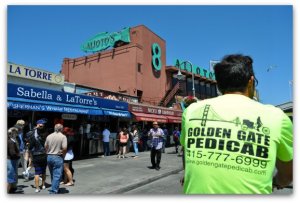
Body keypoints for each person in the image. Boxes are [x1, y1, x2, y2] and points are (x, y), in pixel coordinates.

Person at [180, 54, 293, 194]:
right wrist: (276, 181)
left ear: (219, 85)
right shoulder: (277, 117)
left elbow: (186, 152)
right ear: (251, 82)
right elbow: (287, 175)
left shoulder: (191, 111)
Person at [45, 123, 67, 194]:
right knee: (57, 175)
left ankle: (55, 188)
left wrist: (48, 152)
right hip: (57, 156)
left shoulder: (49, 136)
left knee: (52, 174)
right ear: (61, 129)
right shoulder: (63, 137)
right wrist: (63, 155)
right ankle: (54, 191)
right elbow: (64, 148)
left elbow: (45, 146)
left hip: (49, 156)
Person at [27, 119, 49, 193]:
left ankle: (37, 188)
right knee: (43, 171)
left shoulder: (32, 133)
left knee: (37, 172)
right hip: (44, 155)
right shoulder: (46, 133)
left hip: (36, 155)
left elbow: (30, 146)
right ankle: (43, 185)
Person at [7, 127, 20, 193]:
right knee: (10, 176)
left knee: (11, 175)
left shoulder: (12, 140)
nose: (17, 134)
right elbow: (12, 153)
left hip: (11, 160)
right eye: (16, 132)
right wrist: (18, 155)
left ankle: (11, 188)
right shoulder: (11, 141)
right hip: (11, 160)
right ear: (12, 133)